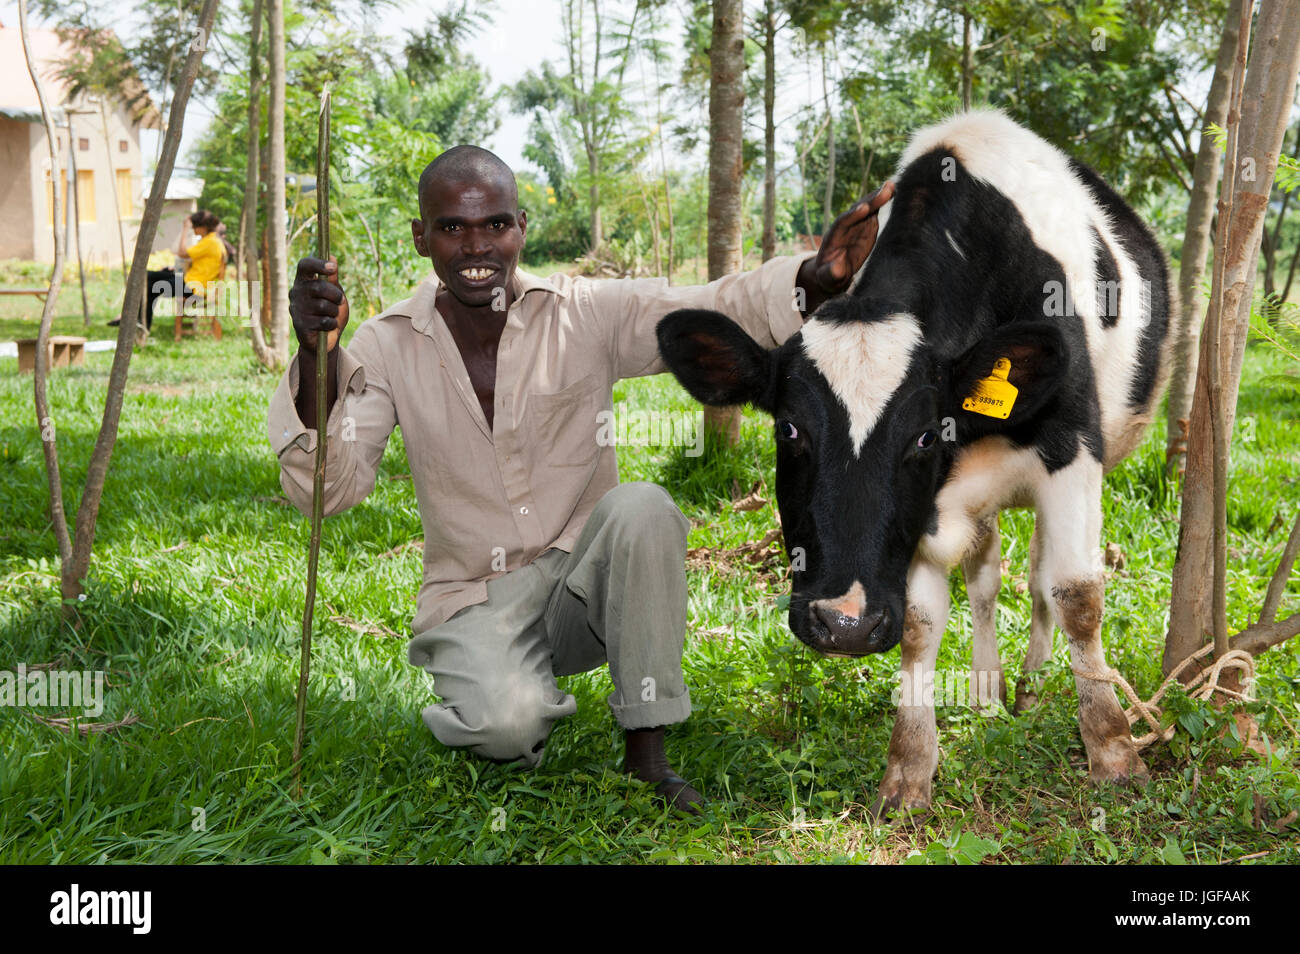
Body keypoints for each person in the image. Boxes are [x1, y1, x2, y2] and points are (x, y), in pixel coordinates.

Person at [269, 145, 892, 814]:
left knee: (642, 508)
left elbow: (705, 305)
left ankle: (646, 759)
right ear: (421, 235)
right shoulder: (386, 345)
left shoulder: (582, 311)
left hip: (584, 585)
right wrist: (315, 358)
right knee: (506, 732)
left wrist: (811, 283)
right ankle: (510, 685)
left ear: (522, 228)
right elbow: (327, 491)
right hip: (474, 595)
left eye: (495, 224)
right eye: (452, 228)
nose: (476, 246)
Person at [112, 209, 225, 329]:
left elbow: (182, 253)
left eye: (195, 227)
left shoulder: (210, 242)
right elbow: (198, 262)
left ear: (203, 227)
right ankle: (134, 318)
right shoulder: (212, 241)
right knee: (146, 276)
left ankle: (140, 322)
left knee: (150, 286)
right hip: (191, 281)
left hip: (194, 288)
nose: (193, 229)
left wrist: (184, 229)